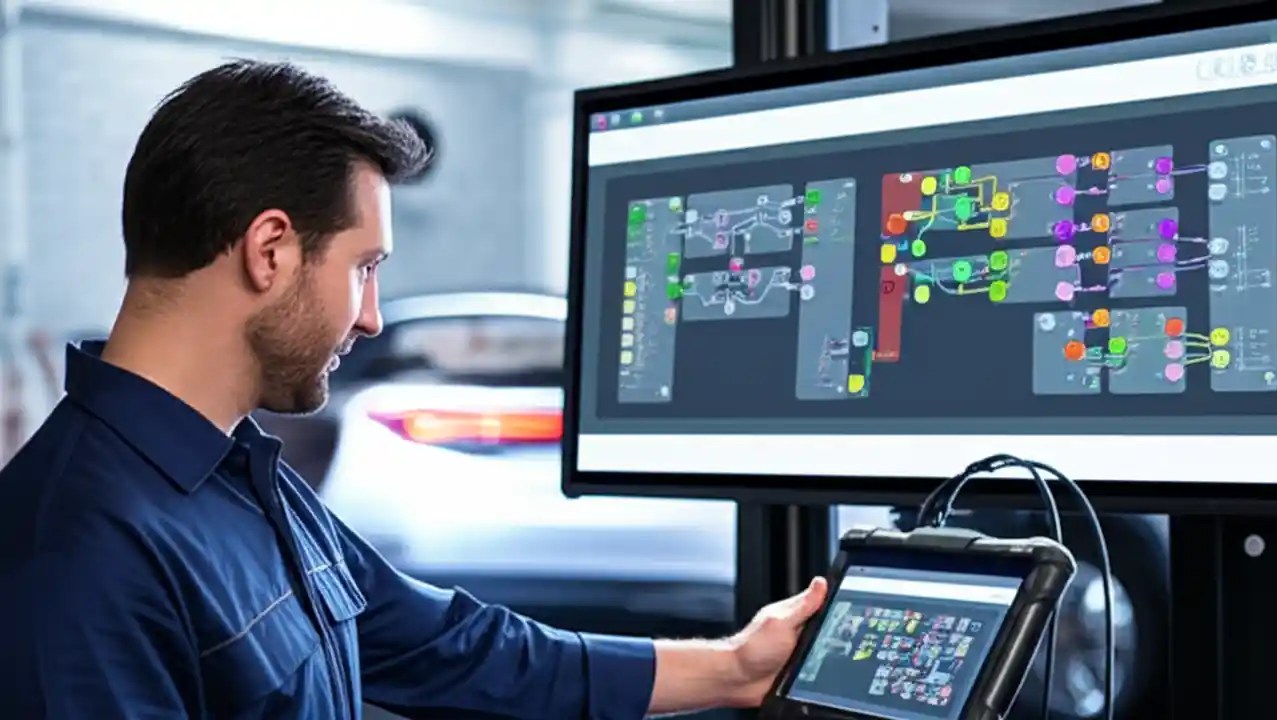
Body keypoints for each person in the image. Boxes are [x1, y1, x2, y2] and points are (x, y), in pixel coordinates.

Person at [0, 59, 828, 719]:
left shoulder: (239, 477)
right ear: (271, 251)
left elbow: (450, 646)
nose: (370, 318)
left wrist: (730, 669)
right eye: (364, 268)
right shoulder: (73, 553)